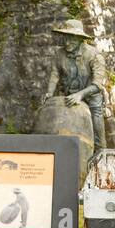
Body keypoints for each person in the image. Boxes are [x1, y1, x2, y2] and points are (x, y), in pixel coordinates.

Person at [43, 18, 107, 155]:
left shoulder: (94, 55)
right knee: (62, 118)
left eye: (71, 39)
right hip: (69, 93)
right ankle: (65, 152)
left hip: (90, 94)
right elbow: (55, 74)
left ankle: (101, 150)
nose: (67, 42)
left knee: (96, 114)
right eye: (65, 38)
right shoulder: (59, 54)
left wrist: (80, 95)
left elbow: (97, 84)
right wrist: (49, 93)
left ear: (80, 39)